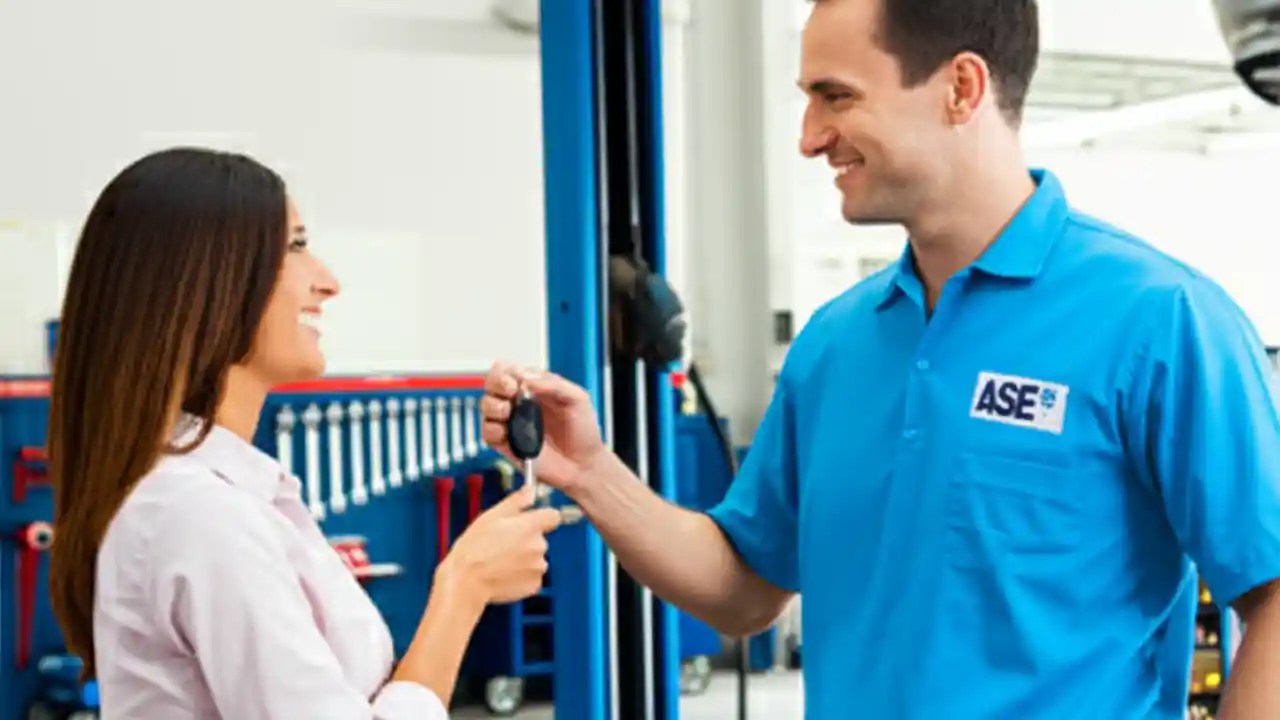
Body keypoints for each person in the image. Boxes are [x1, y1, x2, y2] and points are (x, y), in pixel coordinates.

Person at [480, 0, 1280, 717]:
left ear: (961, 89)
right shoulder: (835, 346)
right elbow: (743, 589)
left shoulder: (1159, 321)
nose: (809, 138)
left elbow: (1272, 595)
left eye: (837, 95)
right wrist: (589, 470)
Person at [46, 147, 563, 719]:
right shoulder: (198, 512)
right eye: (295, 246)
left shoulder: (223, 497)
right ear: (206, 280)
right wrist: (463, 587)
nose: (328, 282)